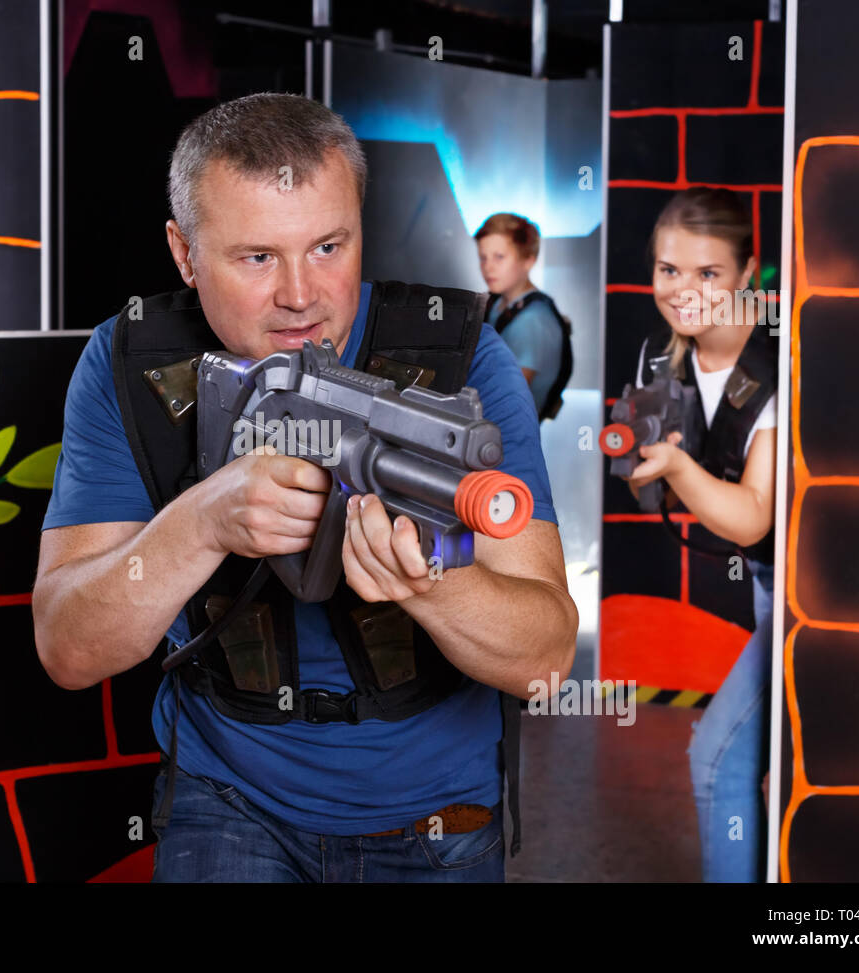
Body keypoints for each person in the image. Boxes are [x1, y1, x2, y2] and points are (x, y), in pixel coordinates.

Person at [32, 93, 577, 883]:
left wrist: (427, 585)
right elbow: (68, 648)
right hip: (230, 798)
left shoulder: (464, 360)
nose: (300, 293)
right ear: (184, 255)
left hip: (434, 819)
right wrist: (205, 522)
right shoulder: (129, 362)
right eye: (256, 257)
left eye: (328, 246)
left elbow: (548, 658)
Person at [622, 187, 776, 882]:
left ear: (748, 274)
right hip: (768, 587)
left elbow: (751, 516)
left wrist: (676, 466)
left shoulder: (781, 359)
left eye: (709, 273)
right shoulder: (663, 357)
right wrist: (645, 464)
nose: (684, 291)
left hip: (815, 597)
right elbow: (648, 467)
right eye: (669, 270)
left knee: (718, 756)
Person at [475, 213, 568, 419]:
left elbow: (505, 397)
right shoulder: (498, 304)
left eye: (499, 257)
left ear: (528, 260)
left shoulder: (533, 320)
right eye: (483, 257)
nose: (488, 267)